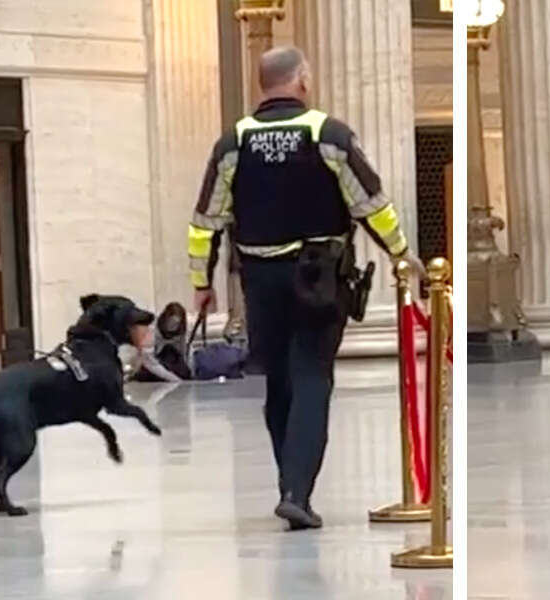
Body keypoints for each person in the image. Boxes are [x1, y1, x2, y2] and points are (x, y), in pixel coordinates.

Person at [188, 46, 425, 529]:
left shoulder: (232, 142)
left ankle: (288, 485)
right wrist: (400, 252)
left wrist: (201, 281)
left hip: (259, 280)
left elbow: (205, 220)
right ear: (301, 80)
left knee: (279, 382)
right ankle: (297, 490)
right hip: (319, 276)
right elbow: (370, 204)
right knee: (313, 376)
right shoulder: (328, 134)